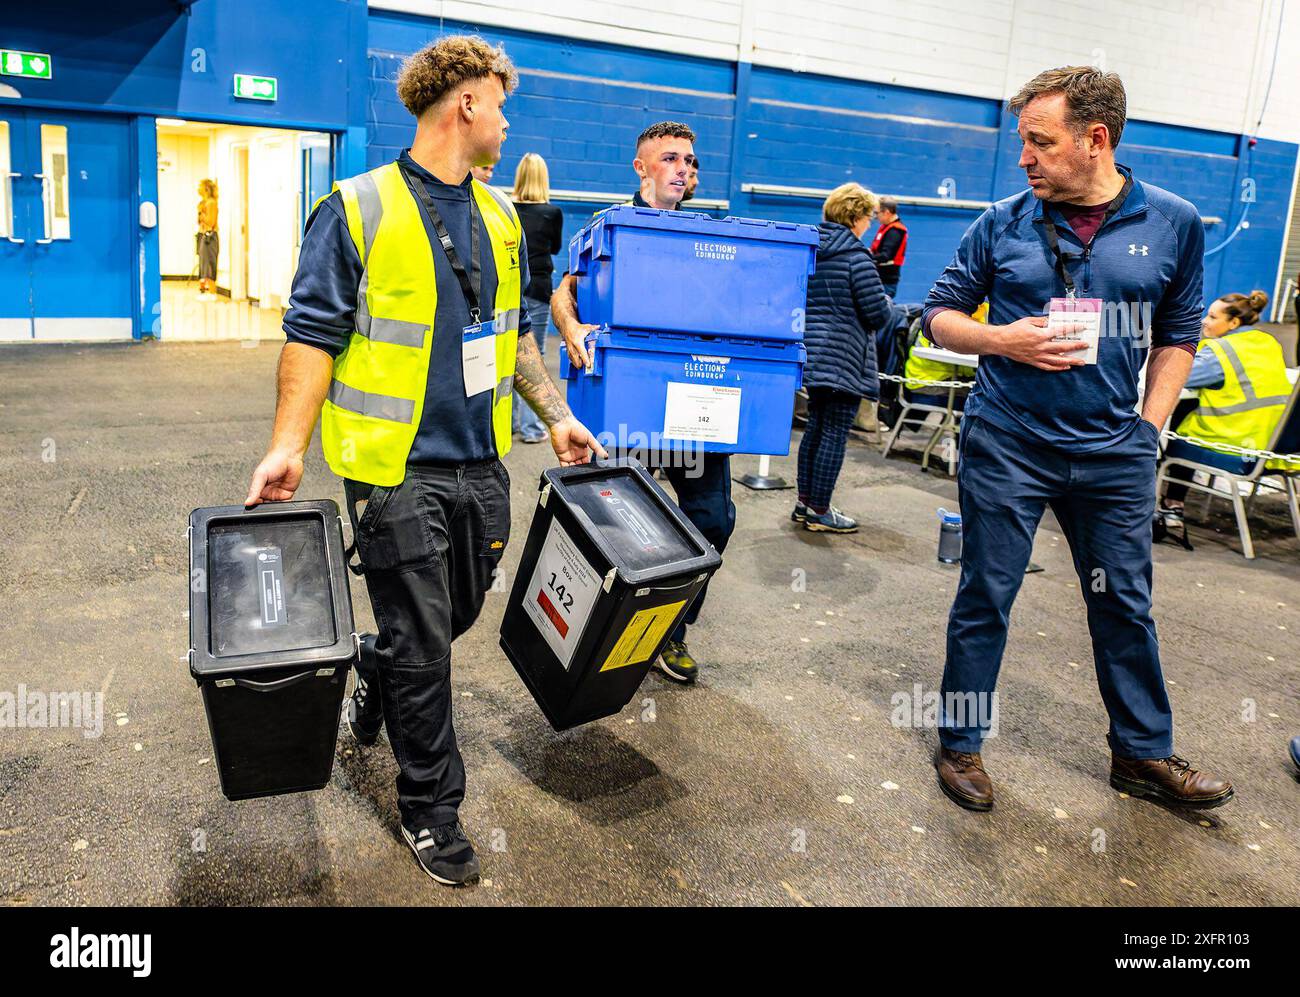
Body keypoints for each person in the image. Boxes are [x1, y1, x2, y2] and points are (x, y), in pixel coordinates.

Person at [244, 35, 605, 886]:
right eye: (502, 103)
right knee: (425, 645)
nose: (508, 121)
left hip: (480, 465)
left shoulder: (503, 218)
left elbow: (512, 335)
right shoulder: (357, 207)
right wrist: (288, 446)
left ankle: (376, 661)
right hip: (394, 468)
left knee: (454, 616)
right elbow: (311, 335)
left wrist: (554, 417)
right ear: (468, 102)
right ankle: (431, 809)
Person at [923, 66, 1233, 813]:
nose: (1023, 158)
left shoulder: (1174, 222)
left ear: (1096, 140)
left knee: (1124, 600)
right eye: (1023, 141)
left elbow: (1180, 332)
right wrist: (1003, 339)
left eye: (1039, 141)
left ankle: (1141, 753)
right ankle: (960, 743)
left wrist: (1149, 429)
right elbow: (939, 315)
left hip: (1113, 449)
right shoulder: (1001, 221)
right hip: (1008, 441)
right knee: (987, 592)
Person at [551, 121, 734, 684]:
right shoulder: (611, 228)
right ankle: (608, 625)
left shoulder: (713, 234)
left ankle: (667, 629)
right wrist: (571, 325)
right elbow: (565, 290)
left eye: (690, 161)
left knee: (712, 518)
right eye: (671, 159)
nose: (684, 169)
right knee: (620, 515)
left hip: (693, 397)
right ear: (642, 167)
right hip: (626, 397)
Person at [793, 182, 893, 533]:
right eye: (868, 216)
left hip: (814, 355)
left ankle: (804, 503)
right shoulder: (856, 257)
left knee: (816, 430)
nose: (870, 223)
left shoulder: (812, 251)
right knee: (833, 433)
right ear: (855, 216)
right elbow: (877, 314)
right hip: (845, 359)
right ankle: (820, 510)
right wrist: (888, 305)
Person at [1159, 290, 1298, 523]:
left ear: (1234, 322)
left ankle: (1172, 505)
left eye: (1213, 317)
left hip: (1235, 446)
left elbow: (1176, 375)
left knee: (1180, 427)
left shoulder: (1221, 351)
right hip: (1271, 446)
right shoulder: (1267, 342)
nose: (1204, 320)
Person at [511, 153, 565, 444]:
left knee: (507, 354)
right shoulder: (552, 213)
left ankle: (512, 424)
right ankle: (532, 428)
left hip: (510, 287)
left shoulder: (505, 208)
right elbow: (555, 248)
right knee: (535, 355)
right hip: (539, 288)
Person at [869, 196, 907, 298]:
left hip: (885, 281)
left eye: (877, 213)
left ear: (886, 212)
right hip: (880, 279)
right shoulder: (886, 227)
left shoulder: (896, 230)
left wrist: (866, 256)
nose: (876, 217)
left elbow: (886, 255)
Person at [196, 179, 219, 300]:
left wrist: (202, 213)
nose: (197, 189)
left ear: (206, 188)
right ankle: (204, 290)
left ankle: (212, 292)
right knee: (203, 264)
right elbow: (199, 221)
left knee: (209, 263)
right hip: (203, 235)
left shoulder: (211, 203)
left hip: (210, 237)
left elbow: (211, 221)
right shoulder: (204, 202)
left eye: (200, 186)